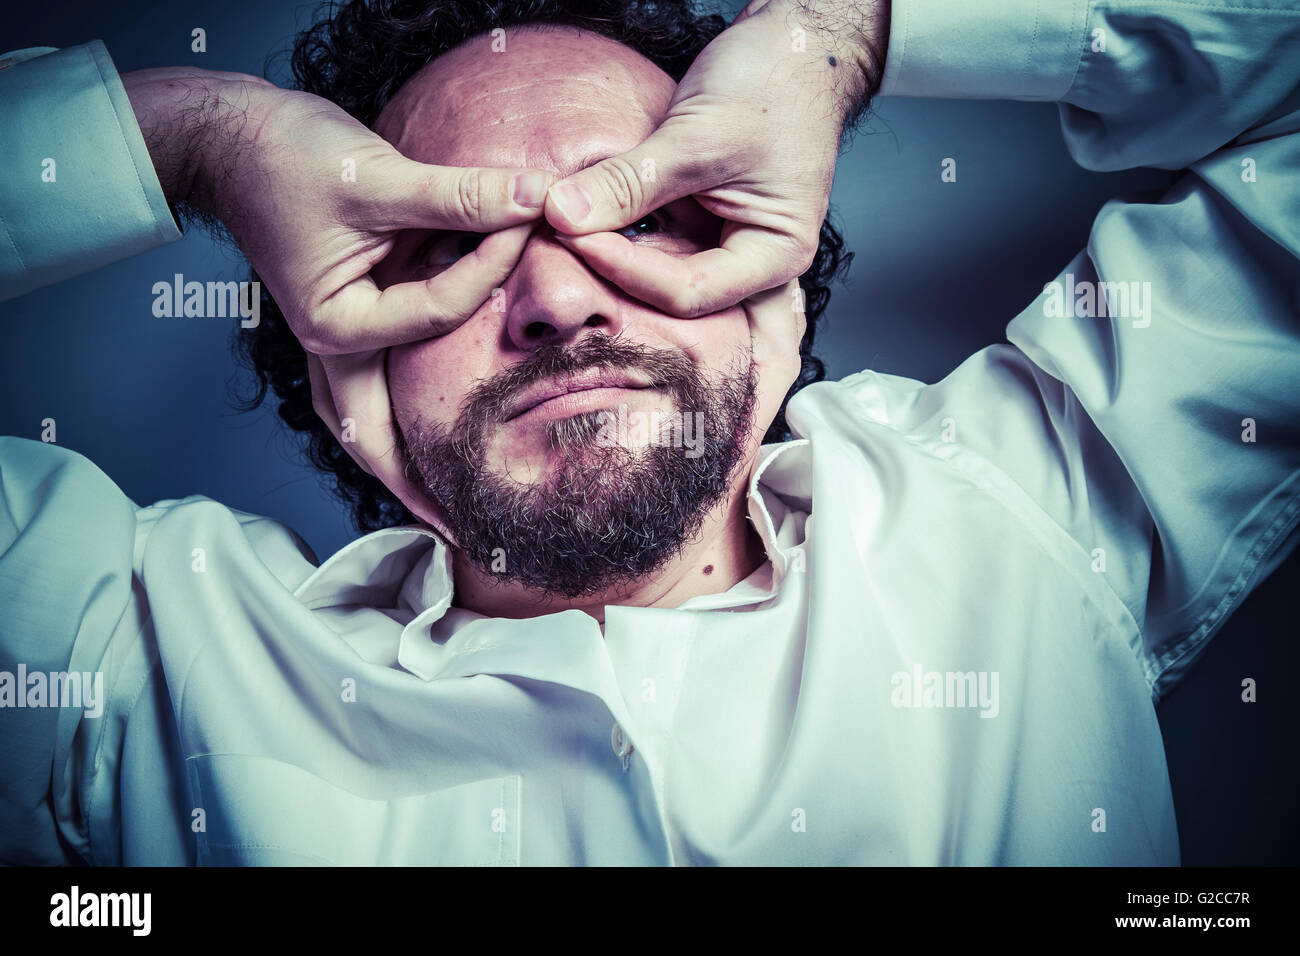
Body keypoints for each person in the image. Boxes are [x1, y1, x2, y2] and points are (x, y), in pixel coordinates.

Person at [0, 0, 1296, 865]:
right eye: (449, 248)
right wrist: (187, 135)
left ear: (765, 285)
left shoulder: (1029, 500)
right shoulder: (138, 655)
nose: (559, 302)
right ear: (338, 331)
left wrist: (845, 28)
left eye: (653, 221)